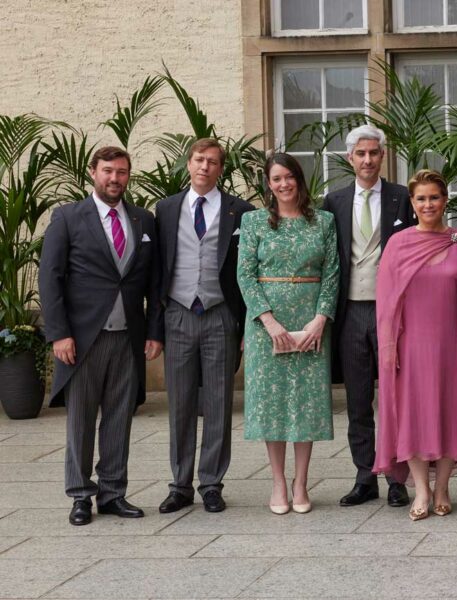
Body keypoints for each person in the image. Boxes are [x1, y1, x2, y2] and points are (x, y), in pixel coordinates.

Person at [39, 146, 164, 526]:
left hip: (128, 337)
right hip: (83, 340)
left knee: (119, 419)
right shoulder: (67, 217)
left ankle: (112, 494)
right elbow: (50, 278)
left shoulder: (143, 220)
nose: (115, 178)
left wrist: (154, 331)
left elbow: (153, 282)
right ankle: (80, 495)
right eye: (108, 171)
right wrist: (59, 334)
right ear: (93, 172)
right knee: (80, 420)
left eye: (122, 172)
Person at [373, 170, 457, 521]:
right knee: (414, 416)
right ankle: (421, 489)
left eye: (434, 197)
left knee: (450, 413)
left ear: (445, 200)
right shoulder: (398, 244)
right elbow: (385, 302)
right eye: (421, 198)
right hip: (410, 346)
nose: (428, 204)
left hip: (454, 344)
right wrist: (388, 348)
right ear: (412, 203)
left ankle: (443, 487)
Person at [155, 138, 255, 514]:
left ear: (221, 169)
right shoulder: (166, 209)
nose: (205, 167)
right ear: (189, 163)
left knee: (218, 402)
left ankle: (211, 482)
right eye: (199, 160)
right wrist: (155, 327)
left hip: (220, 312)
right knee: (180, 403)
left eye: (213, 162)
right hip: (178, 312)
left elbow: (249, 270)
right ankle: (180, 485)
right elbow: (156, 269)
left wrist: (246, 324)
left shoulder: (241, 211)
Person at [236, 153, 338, 514]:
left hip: (310, 323)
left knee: (306, 401)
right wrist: (268, 321)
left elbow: (332, 272)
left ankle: (301, 482)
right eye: (276, 179)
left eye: (289, 177)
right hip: (268, 325)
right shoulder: (254, 221)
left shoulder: (323, 221)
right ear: (268, 184)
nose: (284, 184)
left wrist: (321, 318)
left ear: (299, 178)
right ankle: (278, 481)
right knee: (274, 402)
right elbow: (245, 274)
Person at [321, 124, 414, 508]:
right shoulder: (334, 202)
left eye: (374, 153)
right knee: (358, 400)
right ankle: (364, 477)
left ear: (383, 155)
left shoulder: (402, 198)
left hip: (392, 312)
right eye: (360, 153)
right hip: (350, 313)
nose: (368, 160)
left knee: (394, 398)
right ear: (350, 158)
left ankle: (396, 478)